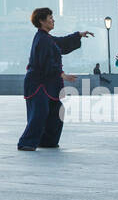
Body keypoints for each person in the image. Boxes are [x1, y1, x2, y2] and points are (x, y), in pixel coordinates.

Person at [17, 8, 92, 151]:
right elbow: (46, 61)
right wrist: (61, 74)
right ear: (41, 21)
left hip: (48, 83)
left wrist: (78, 35)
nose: (53, 20)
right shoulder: (42, 39)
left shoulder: (48, 38)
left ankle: (47, 141)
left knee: (56, 111)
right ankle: (26, 142)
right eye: (50, 18)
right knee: (40, 112)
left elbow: (62, 43)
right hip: (38, 83)